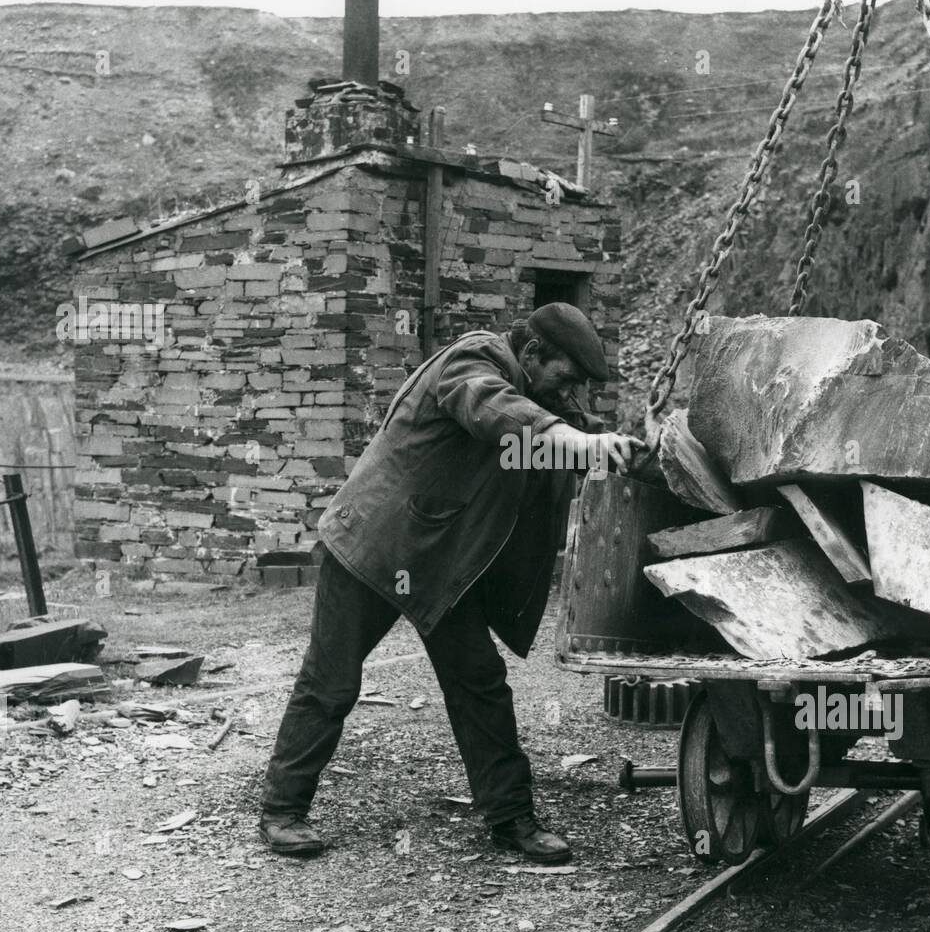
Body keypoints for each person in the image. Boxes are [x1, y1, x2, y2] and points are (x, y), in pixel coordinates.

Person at [258, 302, 643, 863]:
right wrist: (579, 442)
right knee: (331, 680)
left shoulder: (542, 399)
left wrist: (626, 449)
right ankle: (282, 811)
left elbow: (577, 437)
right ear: (532, 353)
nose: (570, 391)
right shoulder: (476, 359)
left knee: (479, 683)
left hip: (439, 566)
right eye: (566, 375)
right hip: (374, 545)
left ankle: (512, 820)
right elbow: (490, 407)